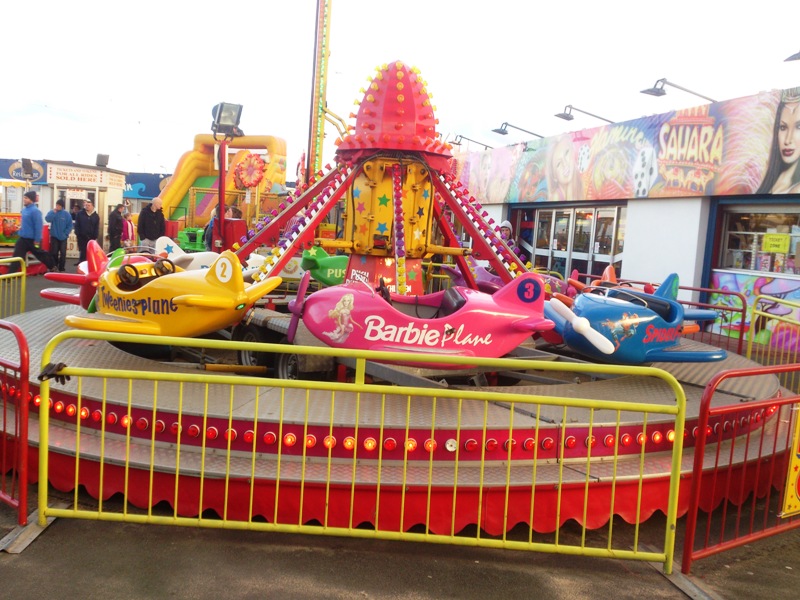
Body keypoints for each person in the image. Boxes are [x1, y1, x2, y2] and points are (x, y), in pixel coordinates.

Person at [757, 87, 800, 194]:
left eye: (799, 127)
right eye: (783, 127)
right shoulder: (766, 177)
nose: (788, 140)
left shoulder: (796, 189)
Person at [9, 191, 56, 273]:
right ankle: (10, 275)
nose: (24, 199)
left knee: (40, 254)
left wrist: (37, 241)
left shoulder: (35, 211)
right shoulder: (24, 210)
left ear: (31, 200)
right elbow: (25, 224)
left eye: (26, 198)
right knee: (17, 256)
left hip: (33, 240)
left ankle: (52, 266)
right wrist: (19, 229)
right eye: (24, 197)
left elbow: (38, 226)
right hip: (23, 239)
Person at [45, 199, 74, 272]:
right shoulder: (52, 212)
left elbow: (70, 225)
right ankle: (55, 265)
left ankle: (62, 267)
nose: (57, 207)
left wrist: (66, 233)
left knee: (63, 253)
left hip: (63, 237)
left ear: (62, 206)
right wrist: (53, 213)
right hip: (54, 236)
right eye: (56, 205)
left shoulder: (66, 214)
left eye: (59, 205)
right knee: (54, 252)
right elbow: (47, 219)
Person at [74, 200, 100, 264]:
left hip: (91, 237)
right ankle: (82, 264)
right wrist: (77, 233)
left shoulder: (96, 216)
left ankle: (89, 264)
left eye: (89, 205)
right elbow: (77, 224)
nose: (87, 207)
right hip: (81, 236)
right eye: (86, 205)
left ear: (93, 206)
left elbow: (96, 227)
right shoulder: (80, 214)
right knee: (82, 251)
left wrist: (95, 236)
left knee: (90, 251)